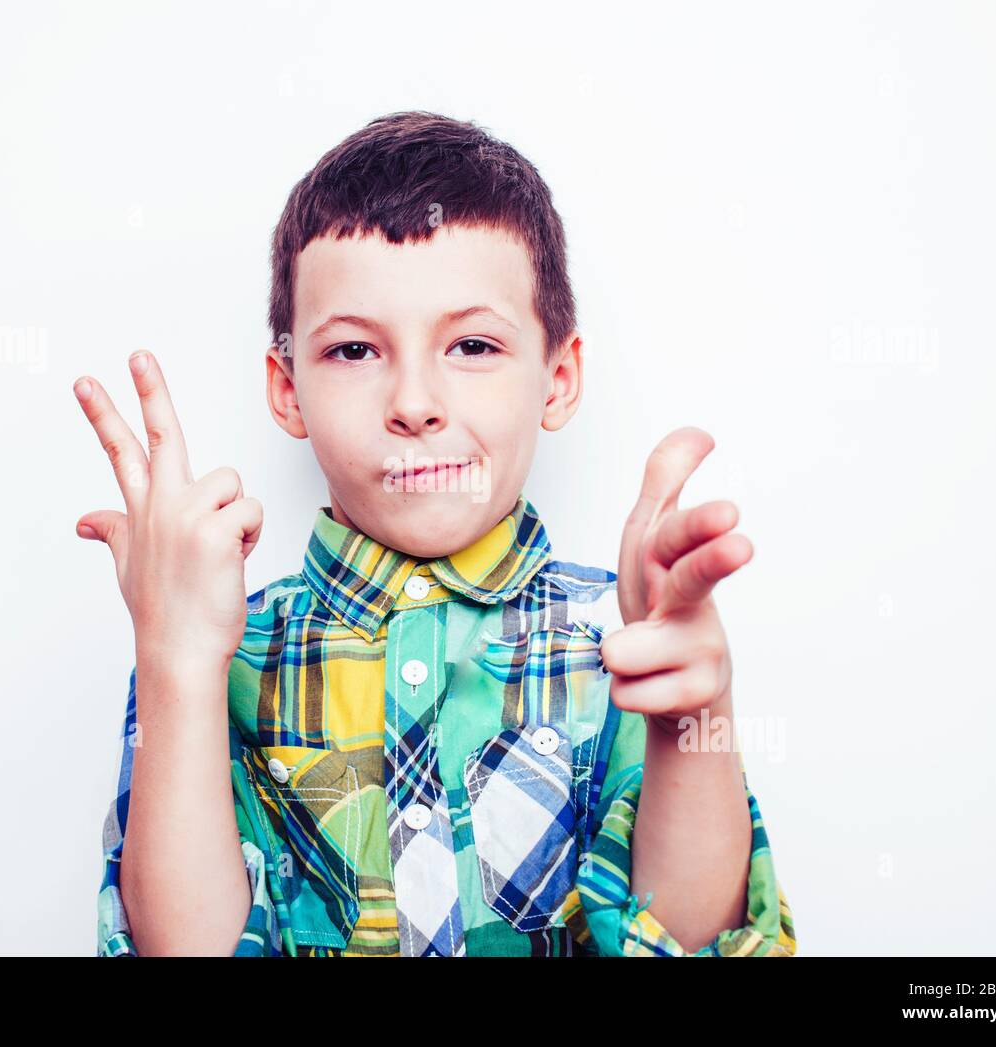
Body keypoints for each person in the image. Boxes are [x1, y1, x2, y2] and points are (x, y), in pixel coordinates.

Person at [75, 110, 796, 957]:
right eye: (353, 351)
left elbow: (687, 942)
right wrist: (175, 660)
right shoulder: (216, 650)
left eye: (474, 344)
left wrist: (693, 724)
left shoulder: (627, 635)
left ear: (557, 379)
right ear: (287, 388)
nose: (414, 402)